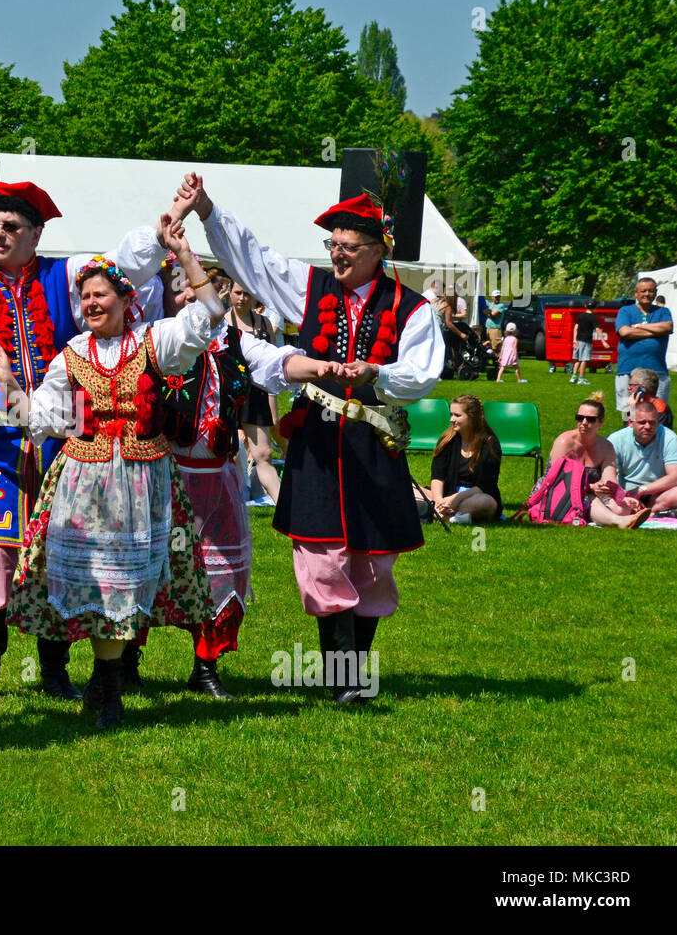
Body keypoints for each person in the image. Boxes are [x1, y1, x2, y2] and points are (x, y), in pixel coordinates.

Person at [176, 173, 444, 705]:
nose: (337, 256)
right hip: (319, 439)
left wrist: (379, 373)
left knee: (374, 559)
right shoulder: (311, 286)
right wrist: (207, 209)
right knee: (322, 555)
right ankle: (342, 679)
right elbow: (254, 257)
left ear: (376, 250)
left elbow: (423, 372)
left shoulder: (411, 306)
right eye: (333, 246)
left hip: (373, 440)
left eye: (348, 247)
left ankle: (353, 670)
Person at [0, 219, 225, 727]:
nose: (92, 304)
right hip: (83, 482)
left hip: (143, 481)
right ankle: (108, 690)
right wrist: (7, 382)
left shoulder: (154, 342)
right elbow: (44, 421)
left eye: (101, 295)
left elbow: (209, 315)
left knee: (128, 586)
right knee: (95, 584)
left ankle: (105, 685)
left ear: (125, 298)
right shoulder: (70, 356)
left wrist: (184, 255)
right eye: (86, 297)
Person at [0, 178, 169, 703]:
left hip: (61, 440)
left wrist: (165, 230)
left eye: (11, 227)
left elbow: (122, 264)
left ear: (36, 233)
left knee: (59, 552)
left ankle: (54, 668)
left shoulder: (65, 275)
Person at [123, 257, 341, 701]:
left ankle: (205, 666)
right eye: (177, 287)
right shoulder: (153, 337)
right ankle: (124, 663)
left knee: (221, 575)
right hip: (159, 475)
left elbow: (279, 363)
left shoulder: (235, 342)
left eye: (195, 287)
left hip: (217, 475)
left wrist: (320, 367)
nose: (186, 295)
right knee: (144, 569)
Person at [542, 393, 650, 528]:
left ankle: (618, 517)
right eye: (580, 418)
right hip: (557, 493)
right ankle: (619, 522)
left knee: (622, 508)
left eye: (590, 419)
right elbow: (556, 478)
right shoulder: (564, 442)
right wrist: (590, 487)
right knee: (589, 498)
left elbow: (610, 480)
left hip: (590, 493)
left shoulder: (606, 447)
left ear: (601, 421)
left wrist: (622, 497)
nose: (584, 423)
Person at [226, 280, 281, 503]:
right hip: (226, 394)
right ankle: (237, 501)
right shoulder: (221, 321)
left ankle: (282, 505)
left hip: (256, 392)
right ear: (228, 293)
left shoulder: (263, 323)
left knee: (264, 454)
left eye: (247, 294)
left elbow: (272, 358)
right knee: (231, 452)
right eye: (237, 293)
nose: (242, 298)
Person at [419, 394, 501, 524]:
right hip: (445, 496)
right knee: (408, 486)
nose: (452, 419)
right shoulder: (447, 440)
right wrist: (438, 501)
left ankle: (435, 513)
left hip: (473, 496)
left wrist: (455, 499)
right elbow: (437, 476)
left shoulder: (490, 444)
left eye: (457, 415)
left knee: (487, 502)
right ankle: (445, 513)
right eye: (451, 414)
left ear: (472, 418)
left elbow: (485, 485)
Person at [614, 278, 672, 422]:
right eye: (643, 291)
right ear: (636, 293)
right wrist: (655, 331)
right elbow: (625, 332)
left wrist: (638, 326)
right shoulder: (625, 311)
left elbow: (667, 328)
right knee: (629, 414)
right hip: (628, 369)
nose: (647, 294)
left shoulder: (663, 311)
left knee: (658, 414)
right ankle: (629, 441)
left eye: (651, 291)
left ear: (655, 293)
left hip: (656, 371)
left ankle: (657, 443)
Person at [607, 400, 677, 512]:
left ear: (658, 422)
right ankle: (650, 511)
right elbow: (608, 475)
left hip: (659, 493)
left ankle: (648, 510)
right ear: (631, 422)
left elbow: (676, 476)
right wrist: (623, 497)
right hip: (627, 494)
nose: (647, 426)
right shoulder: (616, 439)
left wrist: (642, 490)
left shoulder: (670, 438)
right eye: (642, 422)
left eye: (652, 422)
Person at [571, 305, 596, 385]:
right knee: (584, 359)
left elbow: (575, 327)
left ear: (586, 306)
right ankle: (581, 378)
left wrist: (574, 340)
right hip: (586, 341)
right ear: (594, 308)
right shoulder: (593, 317)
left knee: (578, 359)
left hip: (578, 340)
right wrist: (603, 341)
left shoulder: (581, 315)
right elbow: (597, 329)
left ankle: (573, 377)